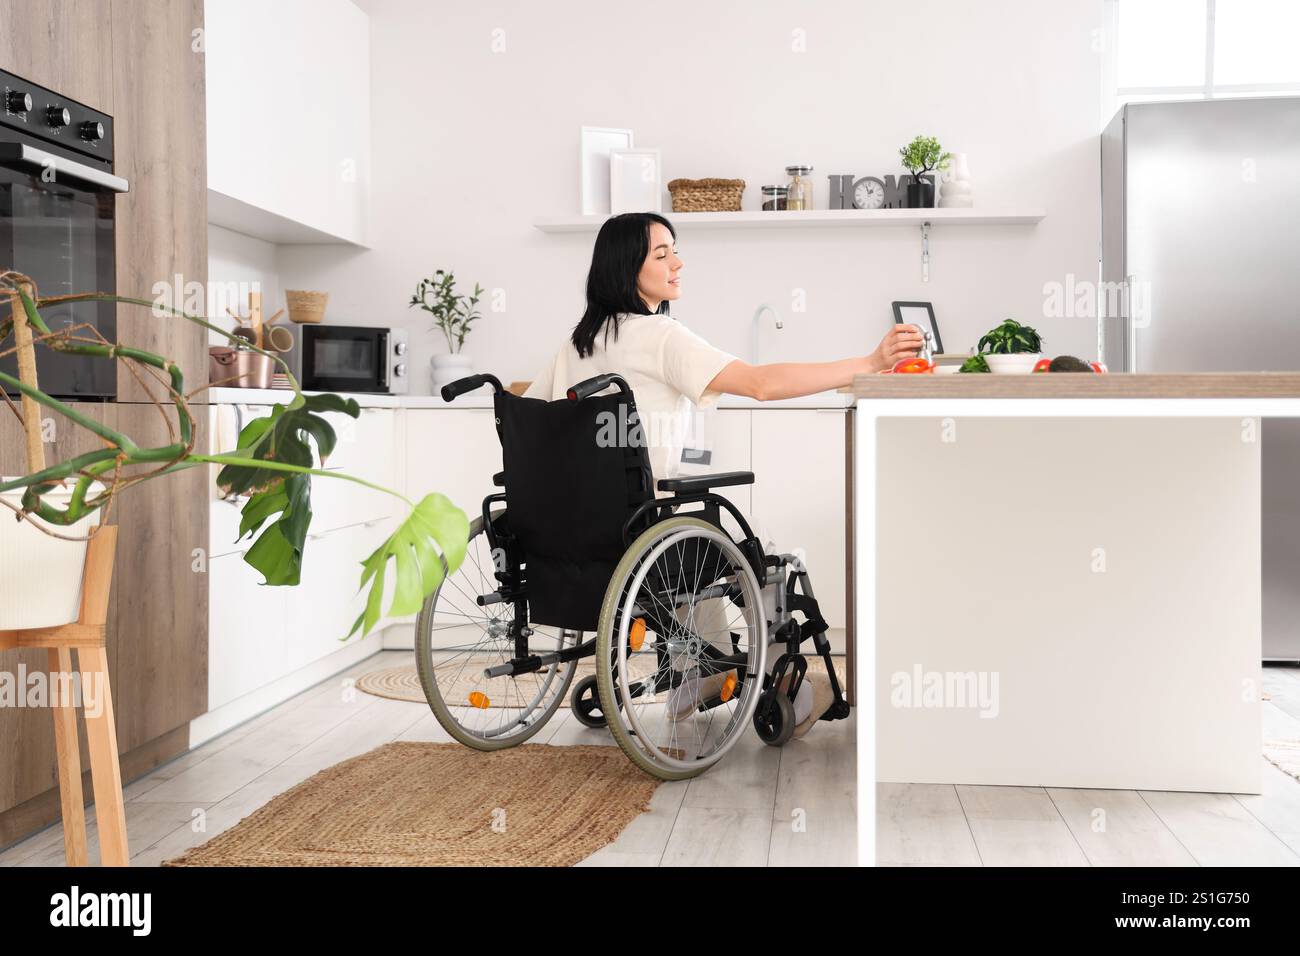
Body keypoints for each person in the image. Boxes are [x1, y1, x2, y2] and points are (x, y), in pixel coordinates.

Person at [524, 211, 924, 486]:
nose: (678, 264)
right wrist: (870, 363)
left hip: (575, 526)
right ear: (626, 269)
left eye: (675, 251)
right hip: (643, 520)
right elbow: (760, 384)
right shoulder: (660, 335)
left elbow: (526, 415)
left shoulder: (577, 342)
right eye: (662, 255)